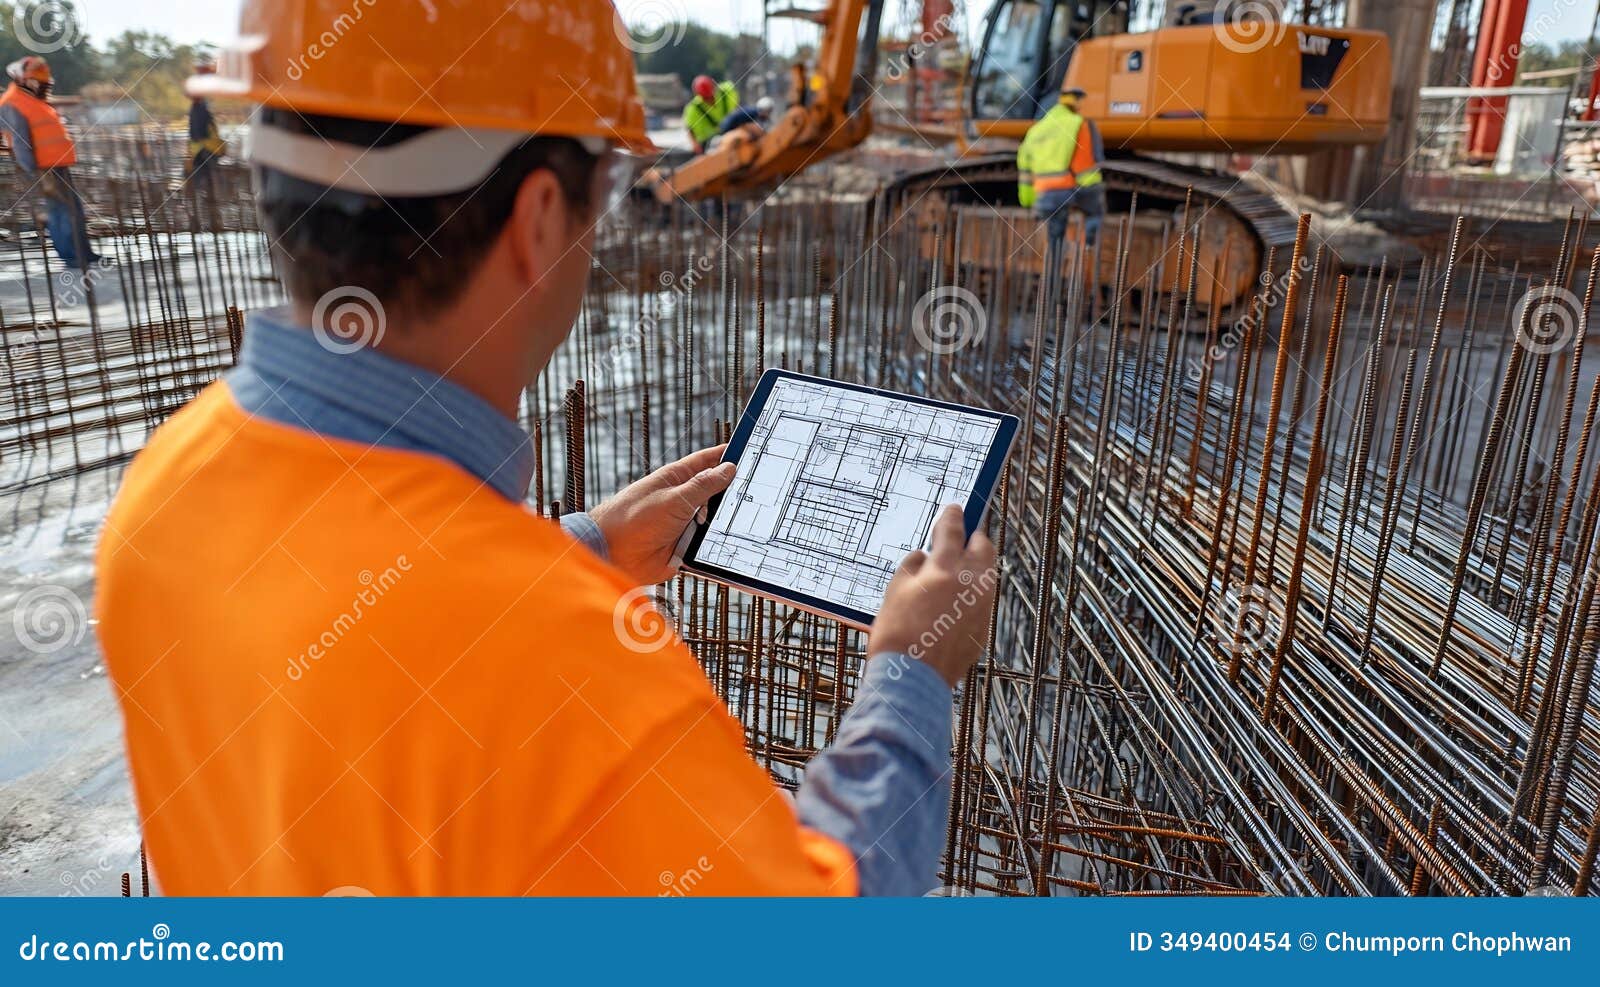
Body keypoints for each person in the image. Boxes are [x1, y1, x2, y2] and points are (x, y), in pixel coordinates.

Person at [96, 0, 996, 897]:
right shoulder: (574, 672)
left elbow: (370, 648)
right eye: (602, 191)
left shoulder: (167, 487)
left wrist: (585, 548)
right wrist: (911, 679)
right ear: (536, 218)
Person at [0, 55, 97, 270]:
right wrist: (33, 173)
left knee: (74, 210)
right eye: (37, 81)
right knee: (60, 212)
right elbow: (19, 141)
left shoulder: (33, 101)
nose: (41, 85)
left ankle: (84, 254)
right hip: (42, 168)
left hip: (57, 164)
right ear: (22, 79)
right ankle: (71, 257)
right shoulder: (12, 103)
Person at [1017, 85, 1105, 251]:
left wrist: (1027, 200)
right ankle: (1089, 248)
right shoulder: (1079, 124)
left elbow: (1025, 168)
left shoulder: (1036, 130)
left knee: (1055, 234)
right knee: (1095, 213)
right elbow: (1086, 163)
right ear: (1077, 104)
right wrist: (1090, 190)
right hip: (1068, 189)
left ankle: (1055, 256)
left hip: (1045, 193)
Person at [185, 55, 227, 210]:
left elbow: (200, 132)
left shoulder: (200, 108)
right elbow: (198, 132)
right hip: (204, 150)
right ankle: (207, 205)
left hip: (204, 150)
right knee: (205, 179)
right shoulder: (198, 108)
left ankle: (208, 205)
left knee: (205, 179)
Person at [683, 74, 739, 152]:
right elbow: (689, 128)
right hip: (712, 141)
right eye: (706, 98)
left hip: (732, 130)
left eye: (711, 96)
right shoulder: (694, 108)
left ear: (714, 88)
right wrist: (694, 143)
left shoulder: (726, 92)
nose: (709, 100)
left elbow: (737, 106)